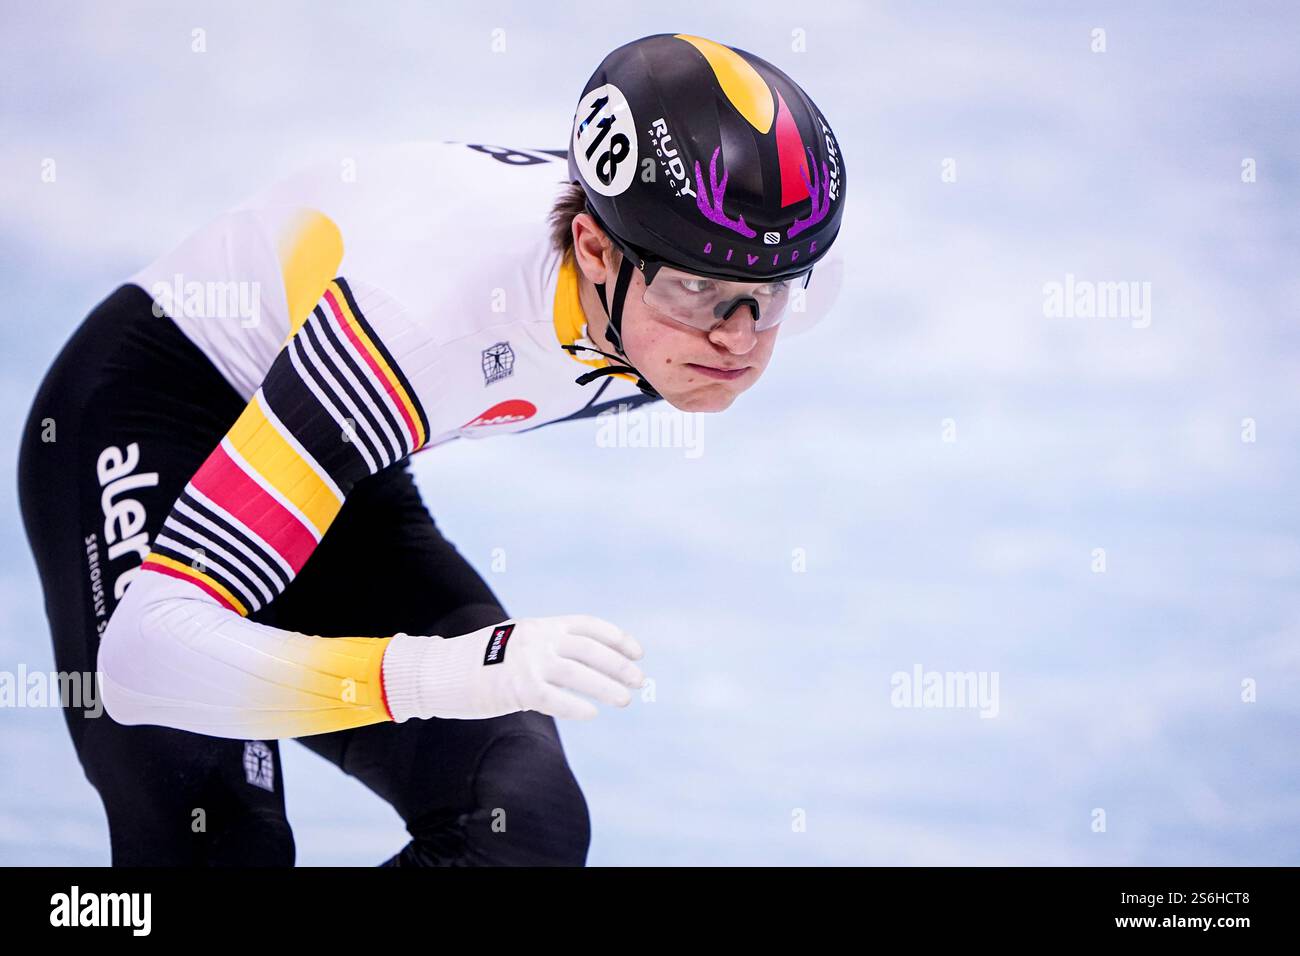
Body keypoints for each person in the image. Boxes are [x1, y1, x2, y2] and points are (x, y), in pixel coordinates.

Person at [16, 32, 847, 866]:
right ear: (595, 249)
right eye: (697, 289)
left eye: (767, 298)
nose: (736, 337)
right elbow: (143, 658)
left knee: (520, 828)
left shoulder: (757, 249)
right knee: (219, 843)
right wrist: (448, 674)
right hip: (163, 412)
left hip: (335, 464)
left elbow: (739, 276)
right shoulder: (425, 319)